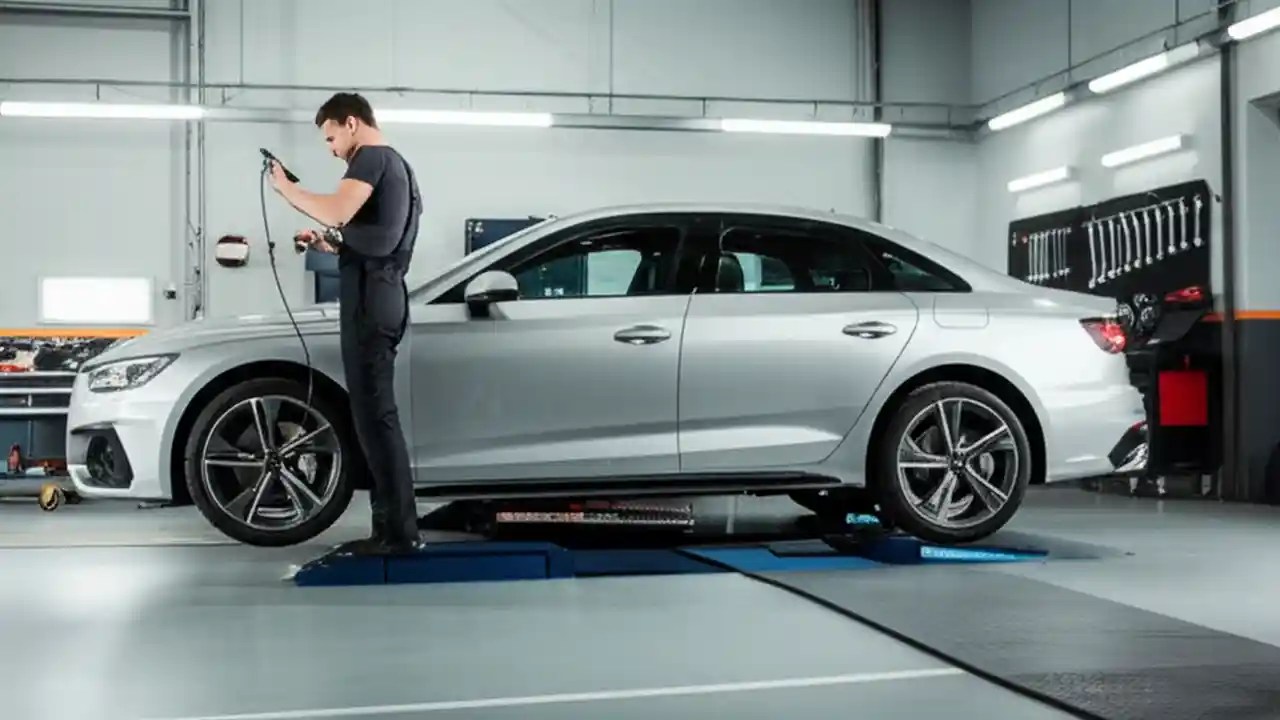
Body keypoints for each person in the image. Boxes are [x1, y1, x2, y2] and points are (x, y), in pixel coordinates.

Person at [269, 92, 423, 553]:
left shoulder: (372, 158)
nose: (331, 148)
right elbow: (380, 239)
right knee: (376, 418)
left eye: (331, 137)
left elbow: (336, 210)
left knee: (375, 419)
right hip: (384, 295)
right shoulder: (399, 167)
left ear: (351, 123)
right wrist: (330, 245)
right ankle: (391, 530)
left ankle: (397, 534)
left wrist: (285, 188)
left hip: (370, 304)